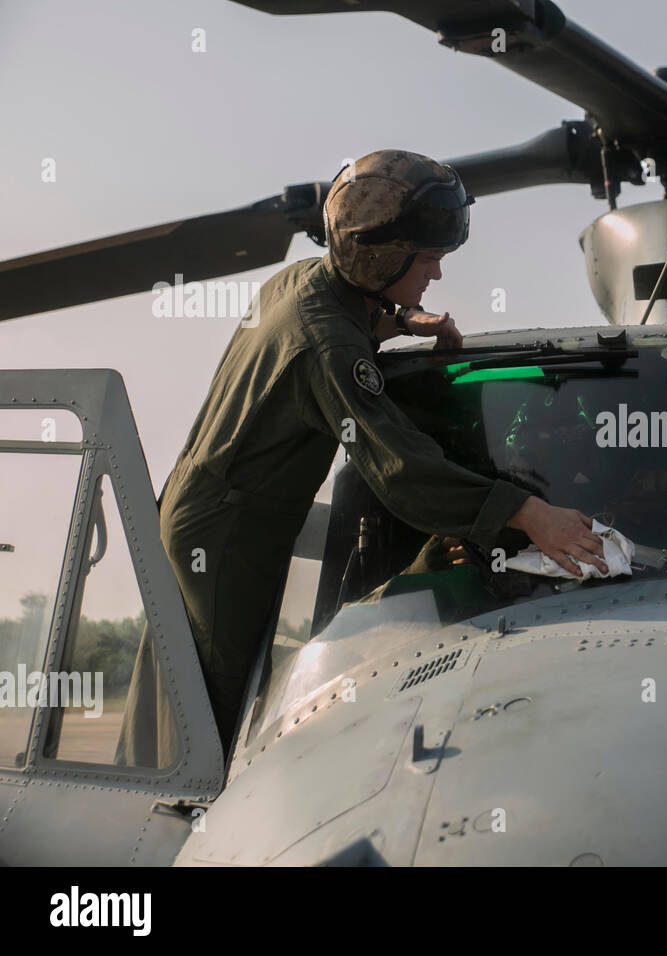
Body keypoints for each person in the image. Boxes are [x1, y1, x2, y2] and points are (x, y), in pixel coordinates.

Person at [129, 149, 608, 759]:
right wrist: (530, 514)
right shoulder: (328, 348)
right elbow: (401, 467)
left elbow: (343, 317)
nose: (435, 275)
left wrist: (402, 318)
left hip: (202, 506)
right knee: (213, 712)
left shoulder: (303, 281)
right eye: (428, 259)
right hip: (228, 537)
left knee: (176, 690)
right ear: (379, 257)